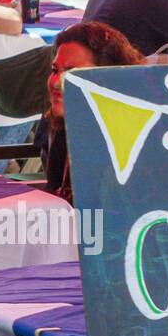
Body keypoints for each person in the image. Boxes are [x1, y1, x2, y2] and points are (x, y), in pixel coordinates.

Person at [39, 21, 144, 203]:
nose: (56, 82)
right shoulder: (63, 128)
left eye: (72, 72)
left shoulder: (132, 145)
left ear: (107, 80)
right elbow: (55, 198)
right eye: (55, 70)